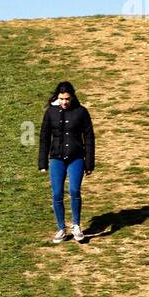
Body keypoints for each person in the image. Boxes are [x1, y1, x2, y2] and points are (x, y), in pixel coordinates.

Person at [38, 81, 95, 243]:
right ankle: (61, 228)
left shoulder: (81, 112)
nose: (64, 102)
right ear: (57, 97)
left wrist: (89, 163)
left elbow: (89, 138)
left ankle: (76, 225)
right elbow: (44, 137)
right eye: (62, 99)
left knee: (74, 190)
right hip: (56, 159)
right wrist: (42, 162)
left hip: (76, 158)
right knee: (57, 194)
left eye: (67, 99)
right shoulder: (50, 112)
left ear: (73, 97)